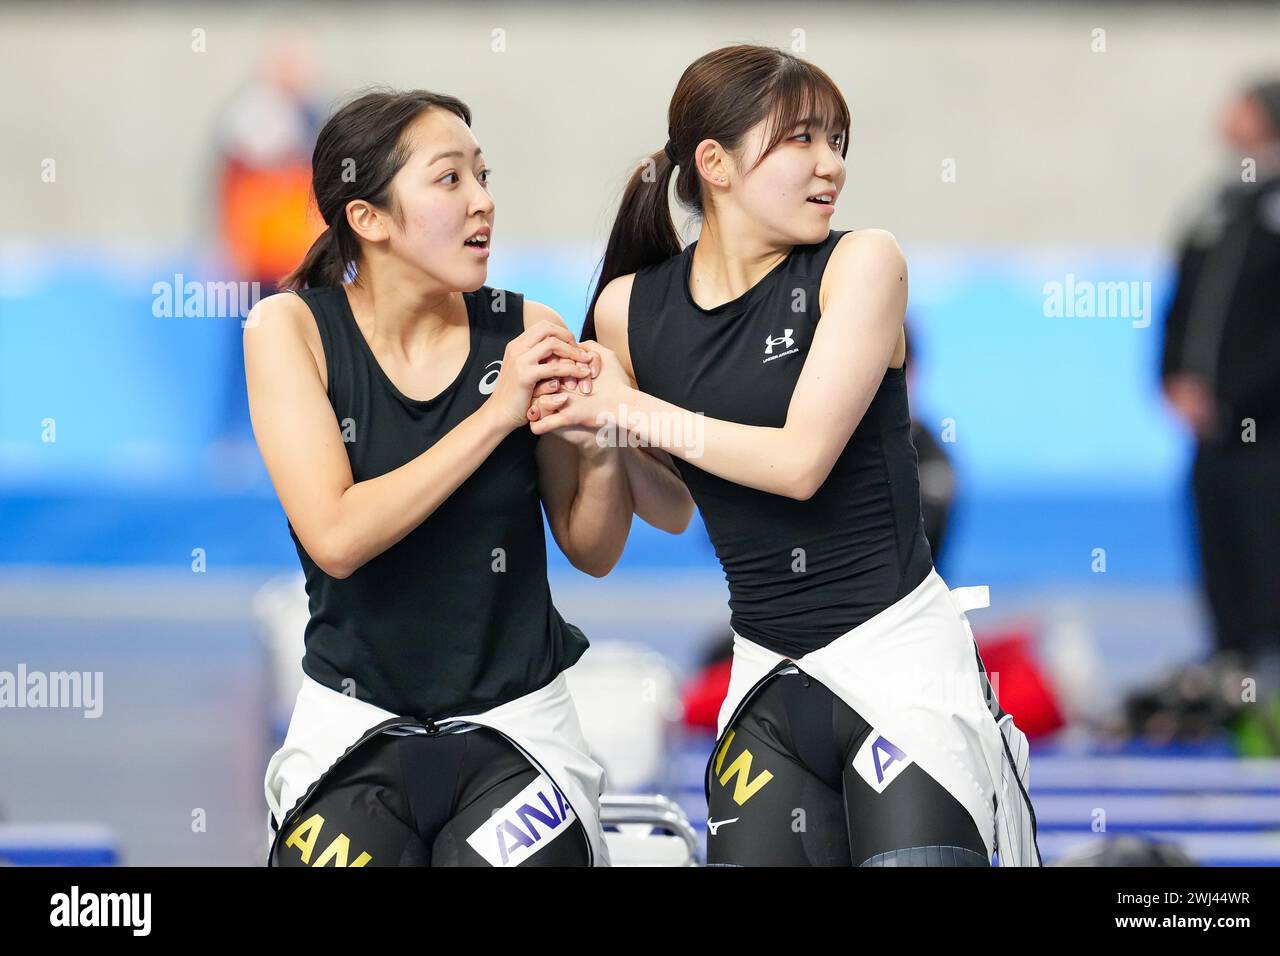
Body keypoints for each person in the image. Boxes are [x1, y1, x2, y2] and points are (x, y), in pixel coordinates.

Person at [533, 44, 1040, 866]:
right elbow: (670, 507)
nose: (830, 165)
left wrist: (633, 409)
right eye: (800, 140)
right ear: (715, 163)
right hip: (765, 673)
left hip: (898, 669)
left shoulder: (863, 263)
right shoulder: (629, 308)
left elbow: (799, 464)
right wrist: (597, 425)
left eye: (838, 142)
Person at [245, 88, 687, 866]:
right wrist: (493, 415)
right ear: (369, 219)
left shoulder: (528, 329)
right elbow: (338, 537)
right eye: (450, 180)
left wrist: (601, 442)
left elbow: (592, 548)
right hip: (353, 730)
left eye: (482, 176)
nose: (483, 202)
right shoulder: (290, 330)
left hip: (516, 731)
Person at [1158, 77, 1280, 737]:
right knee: (1224, 558)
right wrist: (1173, 379)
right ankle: (1237, 689)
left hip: (1278, 435)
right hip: (1211, 436)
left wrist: (1236, 396)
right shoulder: (1221, 206)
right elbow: (1181, 305)